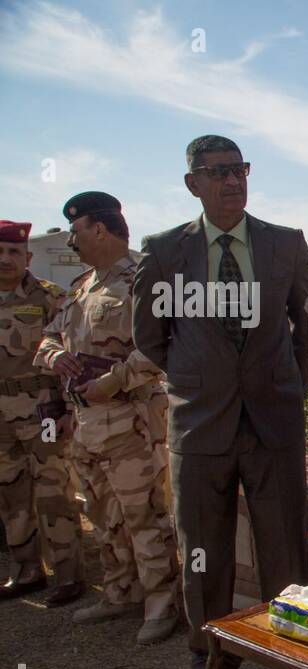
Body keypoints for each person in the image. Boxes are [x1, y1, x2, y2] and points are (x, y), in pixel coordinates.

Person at [132, 134, 308, 669]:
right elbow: (150, 335)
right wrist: (199, 377)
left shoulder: (284, 244)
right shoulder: (163, 252)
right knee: (202, 551)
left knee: (284, 546)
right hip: (199, 426)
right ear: (193, 184)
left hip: (272, 424)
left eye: (239, 170)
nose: (232, 181)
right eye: (217, 172)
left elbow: (307, 327)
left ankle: (294, 654)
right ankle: (209, 657)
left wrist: (287, 388)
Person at [35, 192, 178, 644]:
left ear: (99, 228)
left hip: (130, 420)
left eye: (76, 231)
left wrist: (112, 382)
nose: (72, 239)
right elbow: (47, 338)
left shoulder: (142, 279)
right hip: (87, 423)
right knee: (102, 510)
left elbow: (160, 348)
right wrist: (55, 354)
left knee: (144, 515)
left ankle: (162, 601)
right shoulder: (81, 286)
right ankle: (121, 590)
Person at [0, 219, 83, 605]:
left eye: (13, 251)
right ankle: (27, 573)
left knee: (53, 492)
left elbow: (70, 356)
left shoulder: (50, 297)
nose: (5, 259)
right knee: (11, 495)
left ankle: (68, 576)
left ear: (28, 256)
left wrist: (68, 410)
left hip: (42, 413)